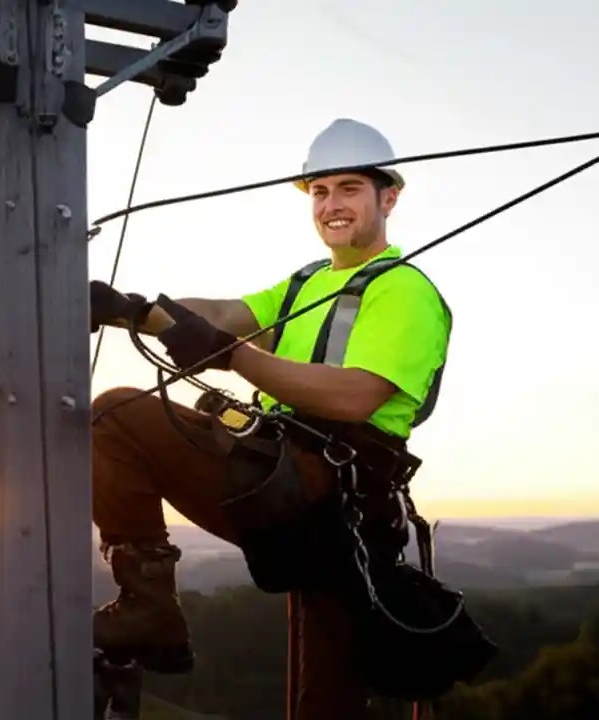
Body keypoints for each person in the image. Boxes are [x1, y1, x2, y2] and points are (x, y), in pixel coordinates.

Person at [88, 118, 453, 719]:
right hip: (289, 479)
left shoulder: (404, 290)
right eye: (319, 192)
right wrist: (137, 310)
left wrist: (234, 356)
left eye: (348, 189)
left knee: (117, 417)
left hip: (332, 492)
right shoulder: (309, 283)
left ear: (389, 197)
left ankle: (150, 608)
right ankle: (149, 605)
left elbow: (356, 396)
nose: (331, 205)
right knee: (116, 416)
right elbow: (228, 312)